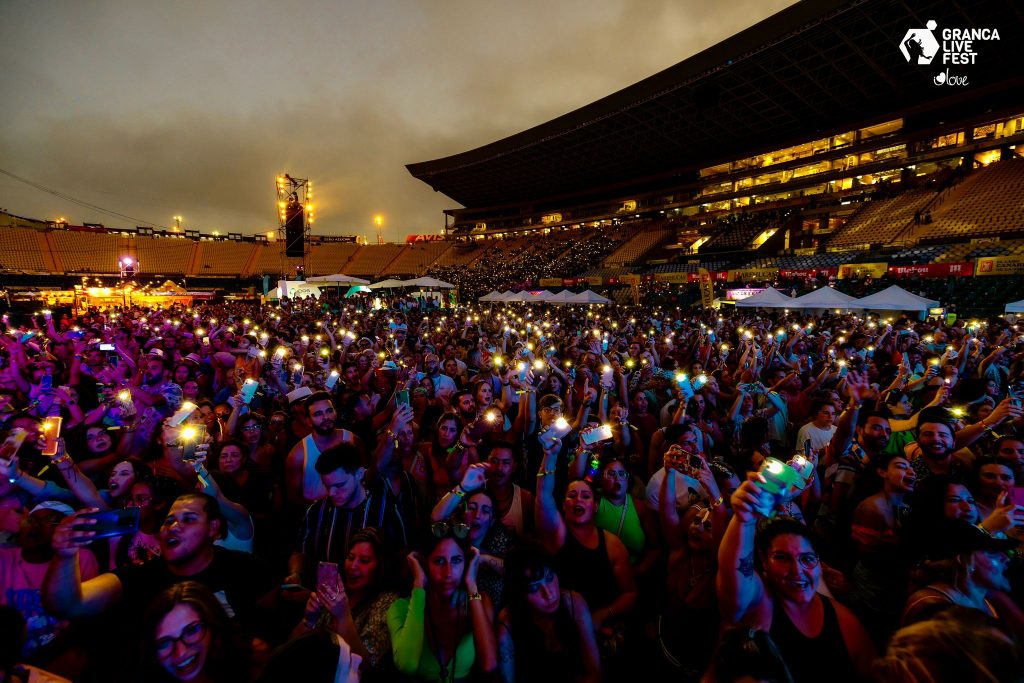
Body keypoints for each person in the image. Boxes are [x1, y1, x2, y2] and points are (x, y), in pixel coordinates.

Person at [718, 478, 875, 682]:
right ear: (764, 561)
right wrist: (743, 520)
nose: (796, 570)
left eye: (807, 559)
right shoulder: (759, 602)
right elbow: (734, 580)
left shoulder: (844, 622)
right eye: (782, 558)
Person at [534, 438, 637, 635]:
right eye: (572, 496)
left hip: (600, 629)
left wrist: (601, 616)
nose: (578, 499)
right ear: (563, 505)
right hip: (558, 627)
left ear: (595, 506)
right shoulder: (557, 533)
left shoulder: (612, 544)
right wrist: (549, 456)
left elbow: (630, 593)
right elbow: (543, 494)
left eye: (586, 496)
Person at [287, 444, 408, 588]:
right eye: (327, 486)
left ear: (359, 474)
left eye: (339, 485)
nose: (331, 493)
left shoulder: (385, 511)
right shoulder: (316, 512)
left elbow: (403, 557)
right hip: (325, 596)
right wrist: (296, 574)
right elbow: (300, 552)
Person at [387, 531, 497, 681]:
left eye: (457, 560)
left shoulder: (478, 600)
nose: (448, 573)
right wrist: (419, 585)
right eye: (439, 561)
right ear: (424, 563)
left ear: (466, 563)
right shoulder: (401, 608)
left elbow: (489, 664)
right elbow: (407, 665)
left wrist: (472, 585)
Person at [295, 527, 399, 681]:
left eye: (364, 561)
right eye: (350, 558)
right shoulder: (337, 591)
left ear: (380, 566)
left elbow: (366, 665)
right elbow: (291, 647)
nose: (353, 566)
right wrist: (308, 620)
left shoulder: (387, 601)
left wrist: (343, 616)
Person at [495, 542, 601, 683]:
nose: (549, 594)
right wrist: (472, 590)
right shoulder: (508, 624)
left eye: (550, 578)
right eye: (534, 588)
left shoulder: (574, 603)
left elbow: (595, 674)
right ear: (519, 592)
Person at [138, 581, 251, 683]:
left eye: (191, 631)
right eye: (164, 643)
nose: (180, 653)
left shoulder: (252, 667)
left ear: (213, 626)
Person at [284, 392, 364, 507]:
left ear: (335, 412)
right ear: (308, 421)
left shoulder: (353, 440)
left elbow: (364, 478)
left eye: (329, 411)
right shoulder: (298, 454)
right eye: (318, 414)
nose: (326, 417)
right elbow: (293, 497)